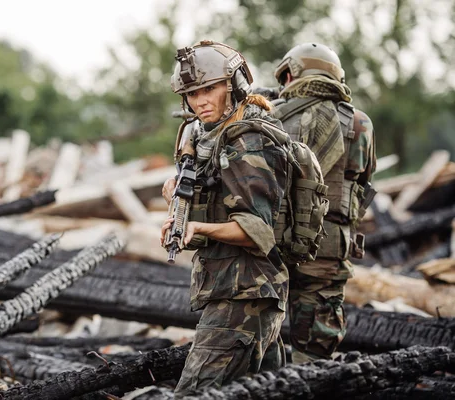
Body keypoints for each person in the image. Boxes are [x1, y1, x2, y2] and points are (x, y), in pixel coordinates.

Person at [160, 40, 290, 397]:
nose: (200, 101)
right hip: (234, 289)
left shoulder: (247, 141)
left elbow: (257, 230)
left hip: (246, 294)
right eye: (191, 93)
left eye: (209, 89)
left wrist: (197, 227)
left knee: (193, 393)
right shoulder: (208, 138)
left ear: (233, 86)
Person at [270, 43, 377, 364]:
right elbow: (364, 184)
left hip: (269, 241)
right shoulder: (360, 123)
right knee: (317, 345)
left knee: (260, 334)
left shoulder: (268, 116)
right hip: (328, 245)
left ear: (290, 73)